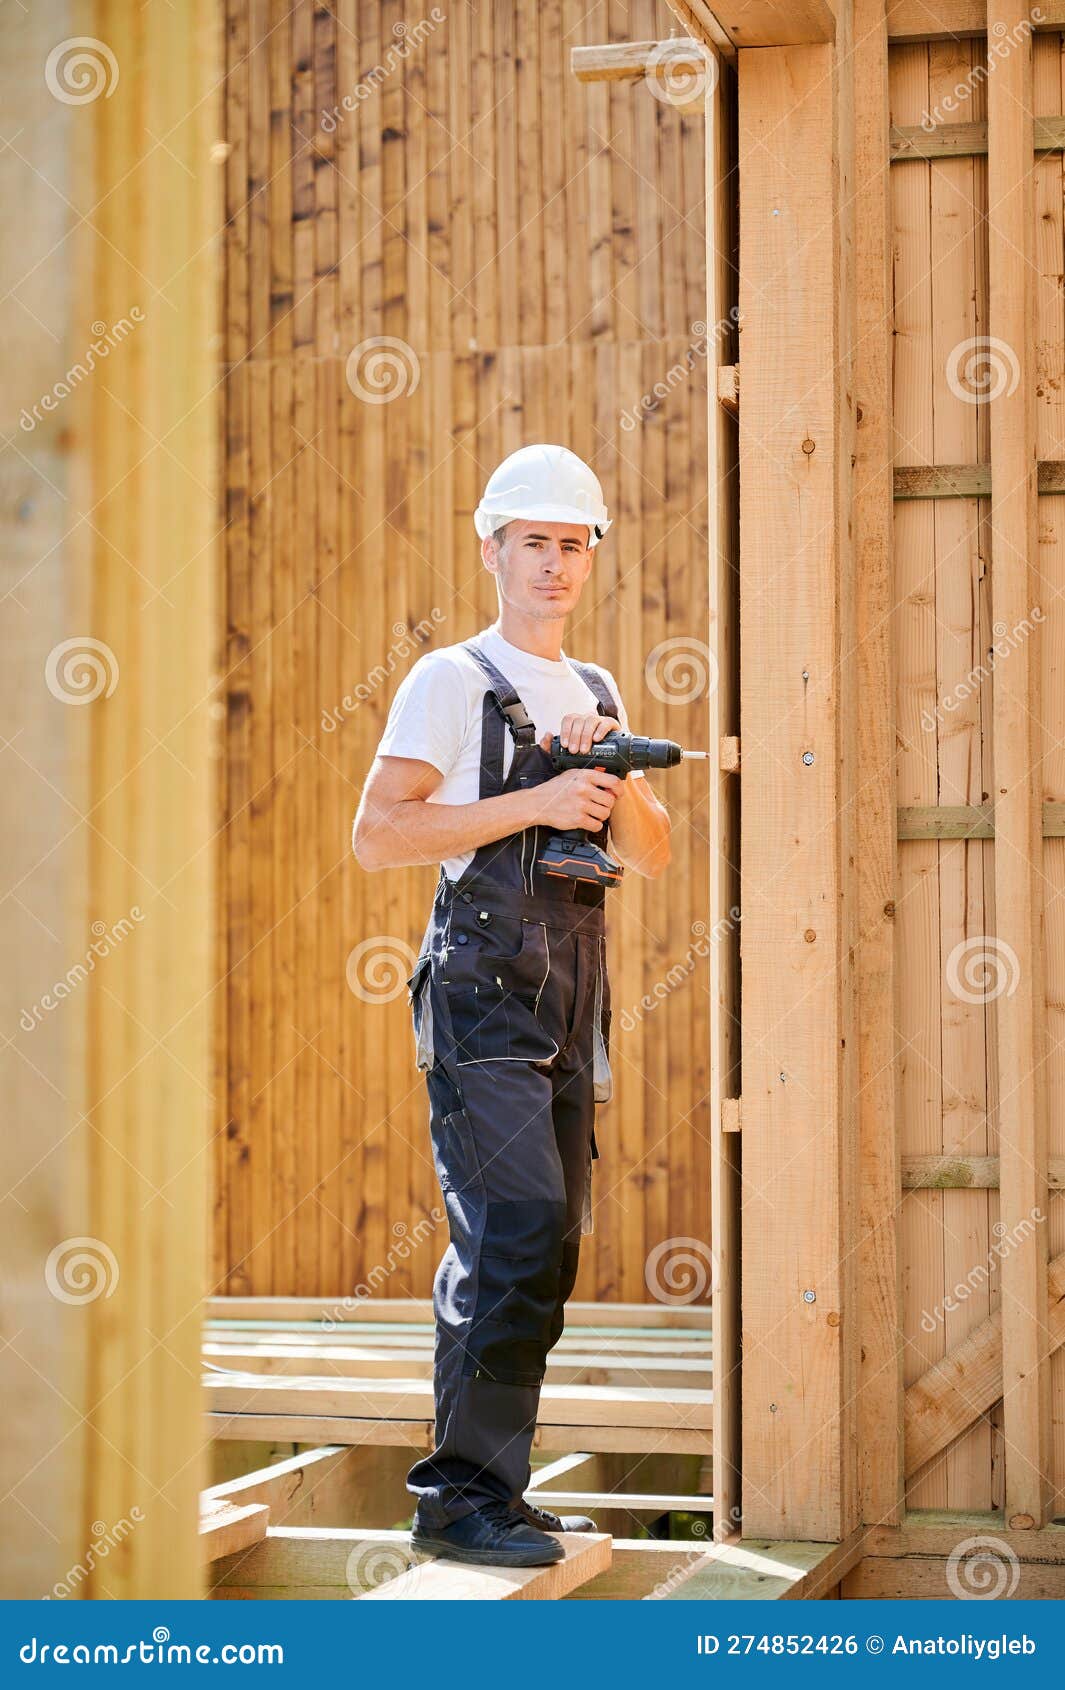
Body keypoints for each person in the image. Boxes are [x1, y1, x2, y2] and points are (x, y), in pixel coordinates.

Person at [353, 443, 671, 1566]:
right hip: (482, 993)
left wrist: (607, 777)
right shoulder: (450, 676)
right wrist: (532, 794)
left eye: (571, 544)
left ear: (591, 559)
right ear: (492, 548)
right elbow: (380, 834)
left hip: (572, 997)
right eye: (533, 541)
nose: (554, 563)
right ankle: (454, 1496)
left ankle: (501, 1490)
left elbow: (655, 855)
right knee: (510, 1231)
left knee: (552, 1243)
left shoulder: (596, 690)